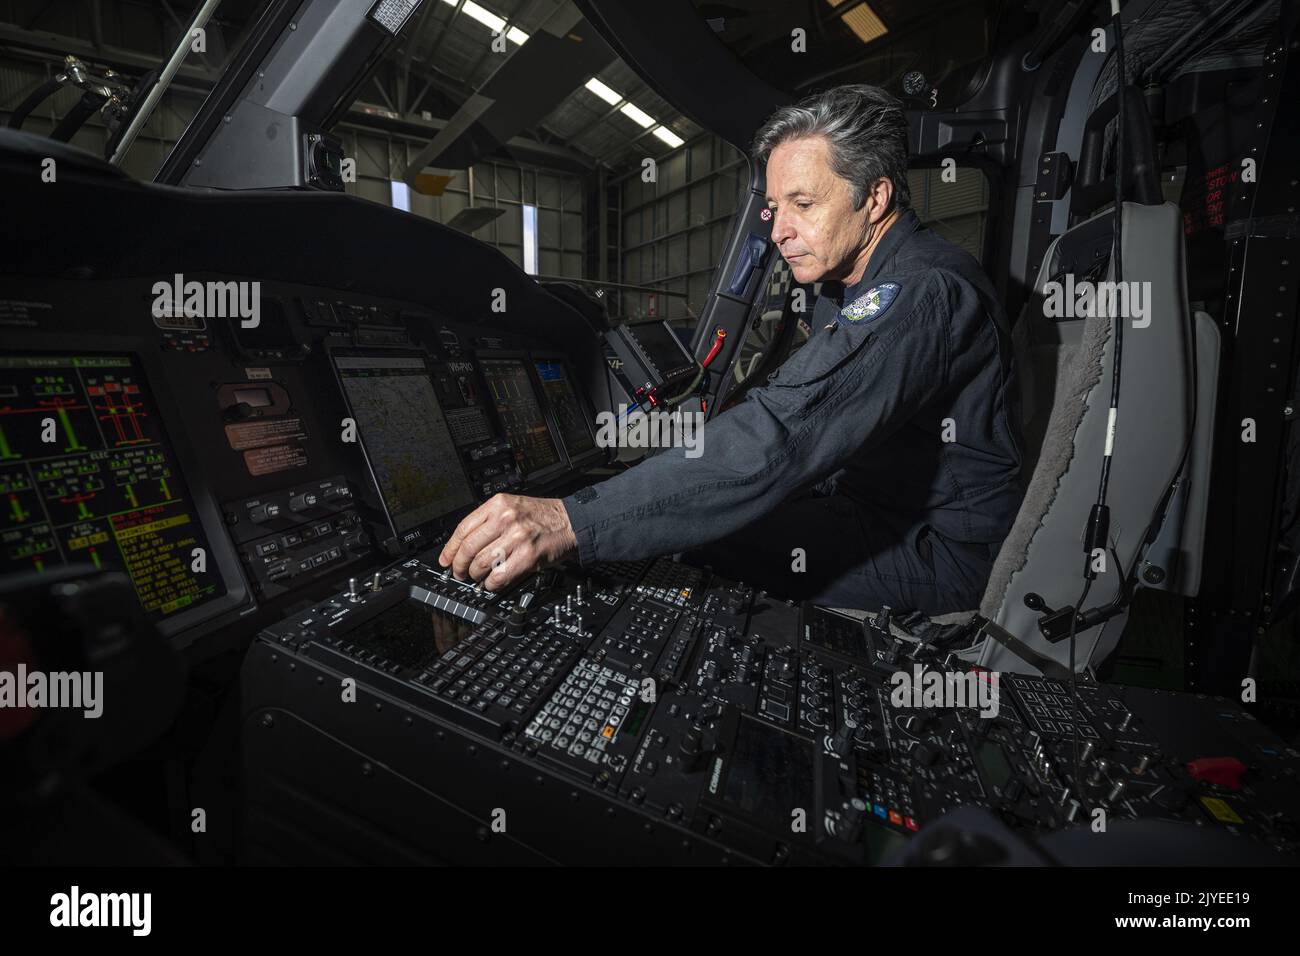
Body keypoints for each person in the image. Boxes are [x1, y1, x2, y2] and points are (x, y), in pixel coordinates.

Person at [439, 84, 1024, 615]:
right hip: (877, 508)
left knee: (702, 541)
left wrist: (570, 520)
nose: (778, 231)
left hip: (937, 552)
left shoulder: (920, 294)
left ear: (874, 199)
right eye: (775, 208)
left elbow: (782, 433)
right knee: (699, 516)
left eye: (803, 204)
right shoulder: (856, 281)